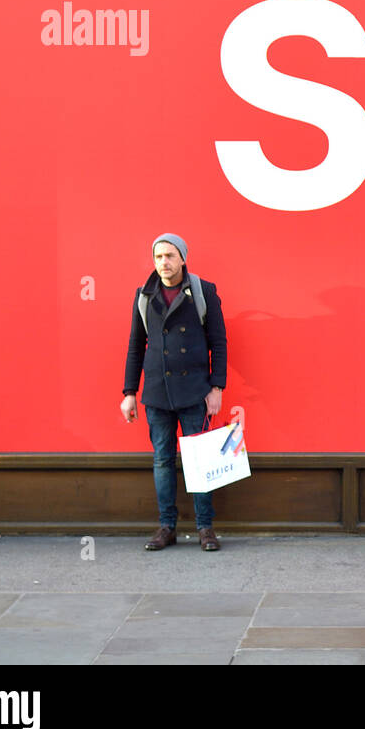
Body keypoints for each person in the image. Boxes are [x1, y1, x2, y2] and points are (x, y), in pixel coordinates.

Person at [121, 233, 228, 553]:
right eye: (158, 257)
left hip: (194, 391)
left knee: (201, 461)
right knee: (162, 460)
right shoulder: (144, 295)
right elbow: (135, 347)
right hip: (157, 392)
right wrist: (129, 391)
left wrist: (216, 387)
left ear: (182, 258)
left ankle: (205, 527)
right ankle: (166, 526)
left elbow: (219, 343)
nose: (163, 263)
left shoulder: (203, 291)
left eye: (169, 256)